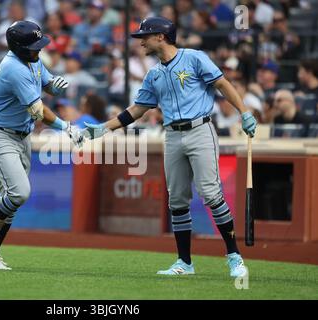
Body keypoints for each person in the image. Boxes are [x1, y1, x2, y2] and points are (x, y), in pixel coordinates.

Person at [81, 17, 257, 278]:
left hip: (200, 130)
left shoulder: (194, 58)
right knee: (177, 200)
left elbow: (222, 84)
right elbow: (138, 109)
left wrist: (244, 112)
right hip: (172, 135)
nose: (141, 41)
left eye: (146, 36)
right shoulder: (153, 74)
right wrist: (103, 128)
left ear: (161, 37)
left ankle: (234, 257)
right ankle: (184, 263)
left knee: (210, 194)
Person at [0, 20, 82, 270]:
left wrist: (56, 85)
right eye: (34, 46)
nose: (39, 50)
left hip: (22, 136)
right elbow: (37, 110)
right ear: (19, 47)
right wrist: (65, 126)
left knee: (10, 199)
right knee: (19, 192)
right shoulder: (14, 68)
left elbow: (48, 84)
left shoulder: (32, 60)